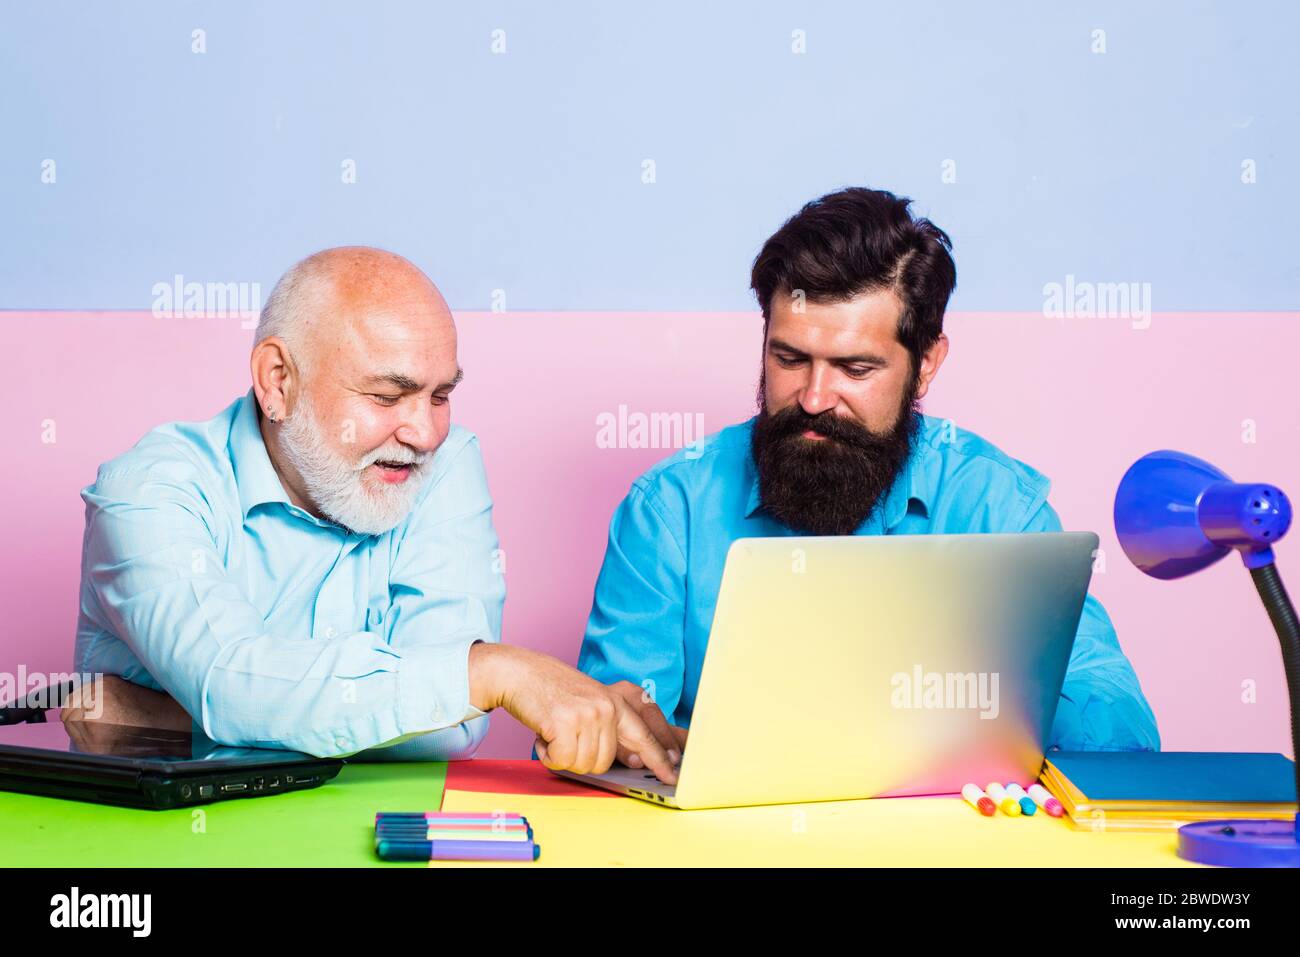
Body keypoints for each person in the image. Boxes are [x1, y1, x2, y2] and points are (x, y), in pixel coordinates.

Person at [577, 187, 1160, 770]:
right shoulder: (669, 509)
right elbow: (604, 733)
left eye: (854, 369)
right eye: (789, 359)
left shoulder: (996, 505)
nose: (813, 398)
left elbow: (1114, 715)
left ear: (926, 363)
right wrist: (612, 737)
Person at [67, 246, 678, 782]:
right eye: (387, 396)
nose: (425, 431)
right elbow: (232, 681)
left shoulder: (447, 459)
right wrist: (490, 671)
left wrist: (183, 721)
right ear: (278, 380)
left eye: (441, 396)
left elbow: (447, 733)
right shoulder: (147, 493)